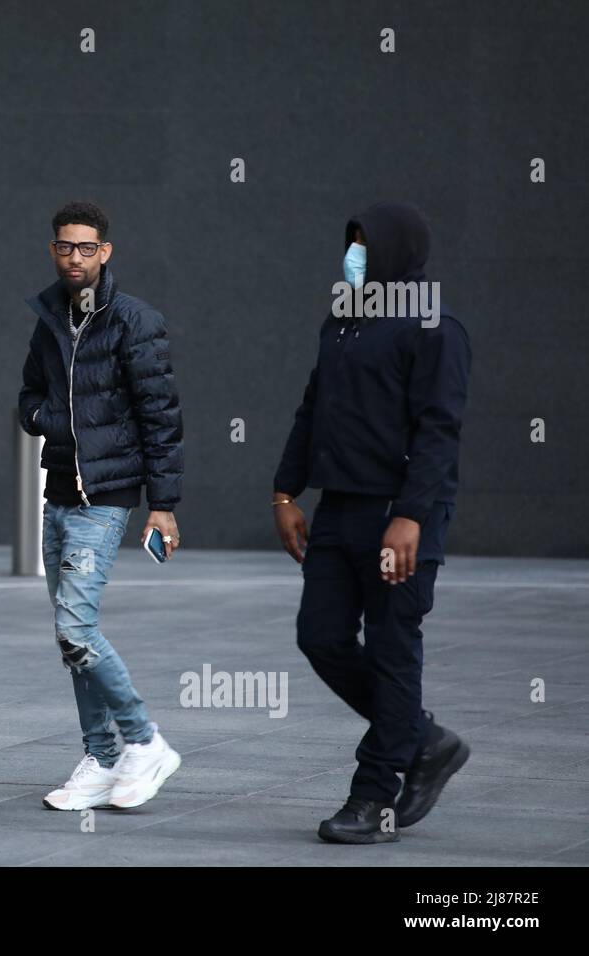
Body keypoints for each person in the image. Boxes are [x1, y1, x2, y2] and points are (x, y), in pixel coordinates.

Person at [272, 202, 472, 843]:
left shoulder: (436, 327)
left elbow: (440, 431)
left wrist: (410, 516)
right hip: (339, 511)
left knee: (391, 650)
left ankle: (371, 798)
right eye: (350, 244)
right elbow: (313, 406)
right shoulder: (344, 321)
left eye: (364, 246)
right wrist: (285, 493)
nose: (353, 256)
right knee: (320, 636)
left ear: (395, 252)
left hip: (399, 514)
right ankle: (422, 737)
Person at [18, 201, 185, 811]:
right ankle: (103, 756)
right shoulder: (48, 317)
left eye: (86, 248)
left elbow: (161, 417)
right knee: (69, 638)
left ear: (105, 252)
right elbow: (28, 394)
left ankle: (145, 743)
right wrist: (47, 419)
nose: (74, 258)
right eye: (65, 246)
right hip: (58, 493)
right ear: (53, 249)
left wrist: (162, 505)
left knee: (76, 626)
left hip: (107, 500)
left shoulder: (135, 320)